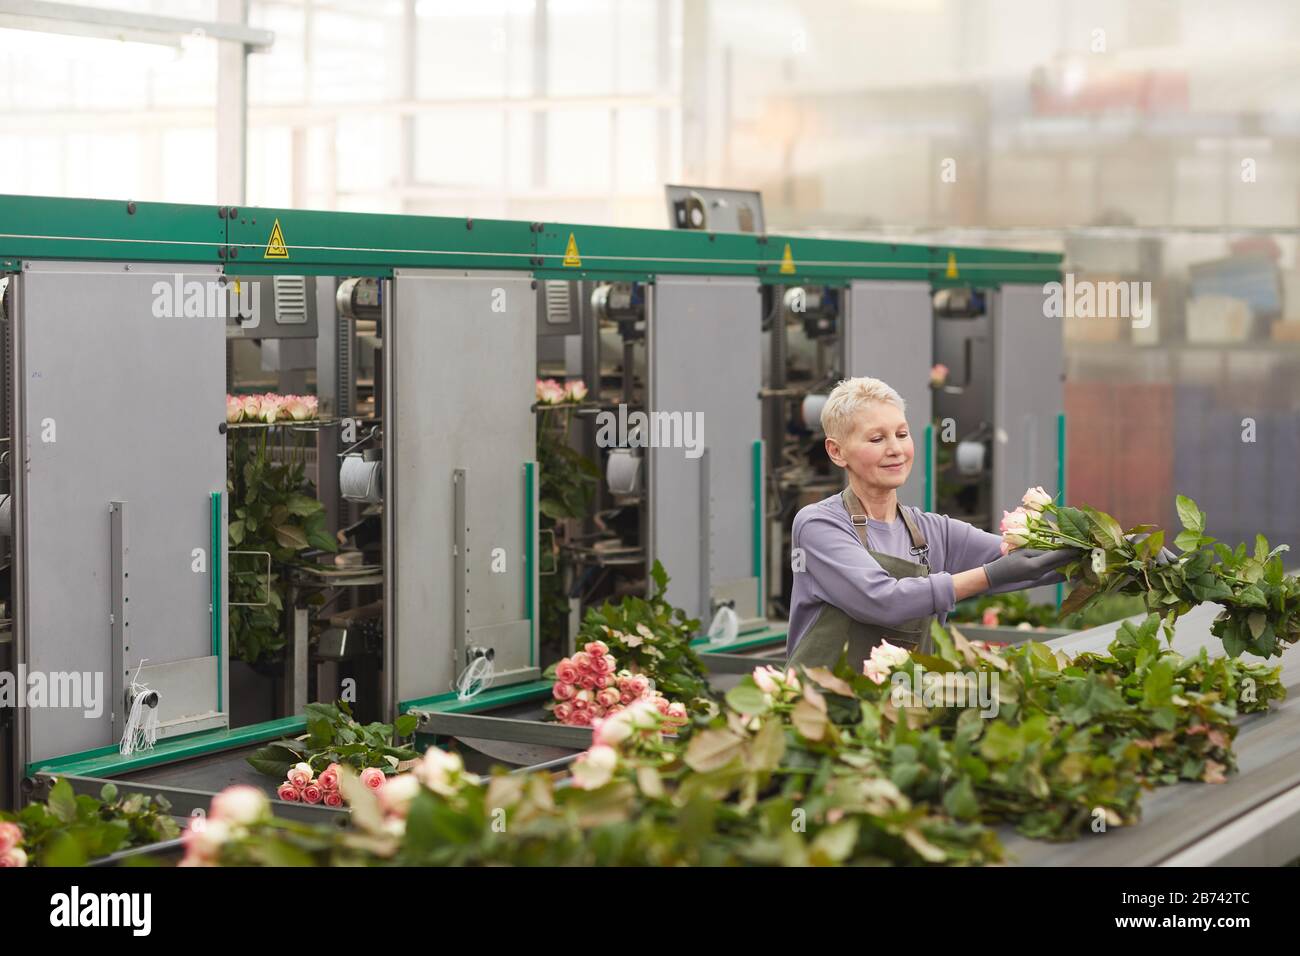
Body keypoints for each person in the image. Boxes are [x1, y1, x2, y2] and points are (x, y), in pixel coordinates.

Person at [786, 376, 1081, 671]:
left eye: (902, 434)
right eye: (877, 439)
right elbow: (882, 600)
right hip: (822, 698)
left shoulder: (934, 531)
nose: (896, 449)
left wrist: (1097, 553)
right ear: (836, 452)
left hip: (904, 698)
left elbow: (1031, 562)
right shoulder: (819, 524)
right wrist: (990, 575)